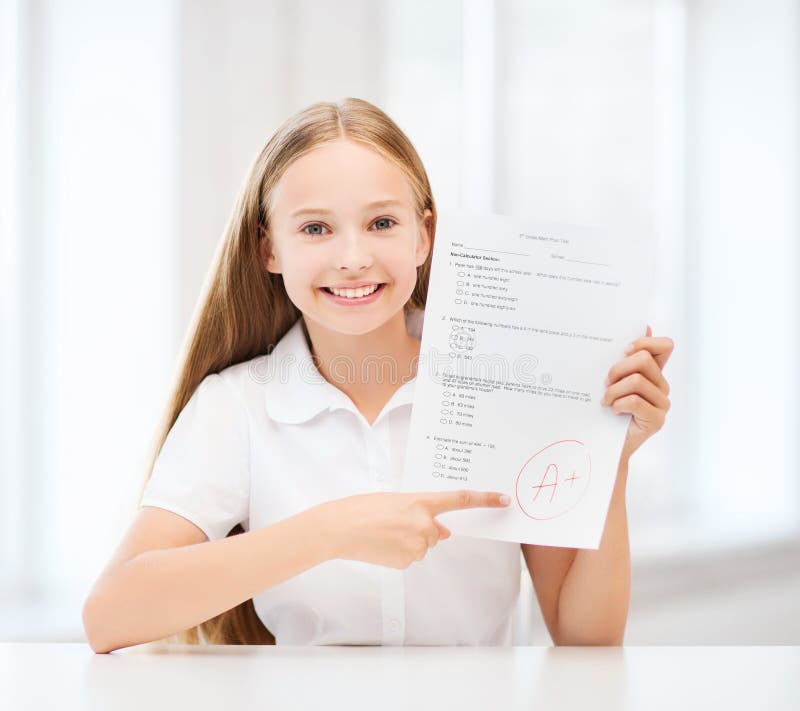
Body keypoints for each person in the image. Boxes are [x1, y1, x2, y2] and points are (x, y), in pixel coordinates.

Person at [82, 97, 674, 654]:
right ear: (269, 250)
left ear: (425, 236)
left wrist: (609, 458)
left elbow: (585, 639)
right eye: (316, 229)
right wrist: (332, 531)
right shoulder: (235, 407)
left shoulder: (504, 381)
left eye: (382, 224)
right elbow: (111, 614)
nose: (353, 258)